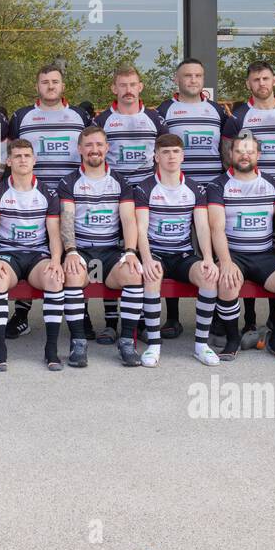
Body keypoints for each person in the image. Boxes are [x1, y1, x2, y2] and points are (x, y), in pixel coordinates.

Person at [208, 132, 275, 363]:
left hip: (265, 256)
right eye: (239, 151)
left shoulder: (273, 183)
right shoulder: (218, 184)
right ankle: (232, 339)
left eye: (249, 151)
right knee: (227, 282)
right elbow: (216, 227)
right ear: (230, 154)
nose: (244, 155)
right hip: (234, 255)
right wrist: (225, 262)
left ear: (258, 155)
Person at [222, 60, 275, 333]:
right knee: (247, 253)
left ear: (274, 81)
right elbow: (228, 155)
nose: (261, 83)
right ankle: (248, 319)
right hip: (248, 194)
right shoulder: (239, 117)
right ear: (249, 84)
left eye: (266, 78)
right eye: (256, 79)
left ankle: (274, 318)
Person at [7, 63, 90, 337]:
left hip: (72, 197)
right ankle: (21, 314)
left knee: (72, 254)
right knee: (33, 253)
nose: (50, 86)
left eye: (55, 81)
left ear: (63, 86)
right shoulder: (22, 116)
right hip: (34, 198)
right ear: (37, 86)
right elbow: (13, 154)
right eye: (45, 82)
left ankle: (83, 314)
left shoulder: (80, 116)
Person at [57, 126, 144, 368]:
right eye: (88, 145)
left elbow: (129, 220)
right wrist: (70, 251)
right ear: (79, 149)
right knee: (72, 275)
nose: (94, 149)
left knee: (133, 273)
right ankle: (78, 342)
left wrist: (130, 252)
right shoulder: (69, 181)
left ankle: (126, 342)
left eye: (98, 145)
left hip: (110, 250)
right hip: (82, 250)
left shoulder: (120, 181)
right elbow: (67, 219)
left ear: (107, 148)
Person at [156, 57, 229, 338]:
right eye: (187, 76)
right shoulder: (164, 111)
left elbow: (225, 150)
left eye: (198, 75)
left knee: (214, 252)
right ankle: (173, 318)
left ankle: (217, 315)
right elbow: (162, 151)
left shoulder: (216, 110)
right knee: (175, 250)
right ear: (177, 79)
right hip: (176, 192)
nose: (193, 80)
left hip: (211, 191)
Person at [134, 133, 221, 367]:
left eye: (175, 152)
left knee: (208, 276)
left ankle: (201, 345)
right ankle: (154, 345)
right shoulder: (144, 188)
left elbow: (202, 227)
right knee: (152, 275)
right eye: (165, 152)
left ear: (182, 156)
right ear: (156, 157)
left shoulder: (195, 188)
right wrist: (146, 259)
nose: (171, 156)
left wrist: (208, 258)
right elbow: (140, 228)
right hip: (156, 253)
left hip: (183, 254)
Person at [94, 65, 166, 341]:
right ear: (114, 88)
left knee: (145, 255)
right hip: (113, 195)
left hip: (146, 196)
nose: (128, 90)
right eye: (122, 85)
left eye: (132, 84)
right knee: (114, 254)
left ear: (140, 87)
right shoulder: (103, 120)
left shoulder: (154, 118)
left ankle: (145, 321)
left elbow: (163, 153)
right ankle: (111, 322)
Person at [0, 139, 64, 371]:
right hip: (8, 254)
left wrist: (56, 261)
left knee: (54, 279)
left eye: (27, 156)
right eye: (17, 156)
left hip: (37, 255)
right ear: (9, 161)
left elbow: (54, 234)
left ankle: (51, 350)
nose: (22, 160)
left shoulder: (48, 193)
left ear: (34, 160)